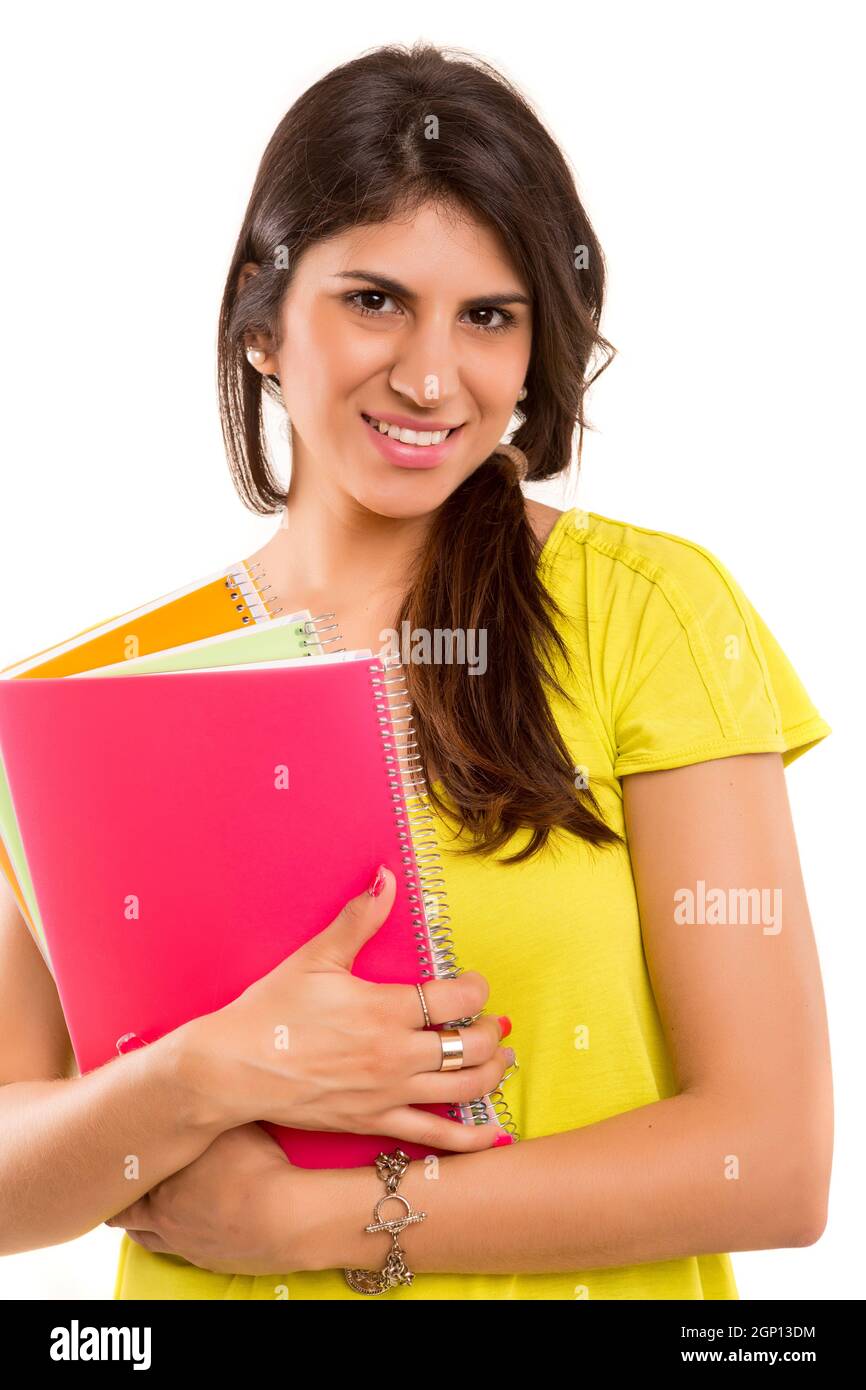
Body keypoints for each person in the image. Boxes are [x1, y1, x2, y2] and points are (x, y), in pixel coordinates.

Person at [0, 41, 832, 1301]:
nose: (431, 376)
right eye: (374, 300)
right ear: (261, 322)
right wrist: (205, 1072)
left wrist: (316, 1220)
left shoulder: (647, 612)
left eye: (487, 316)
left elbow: (769, 1159)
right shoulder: (98, 699)